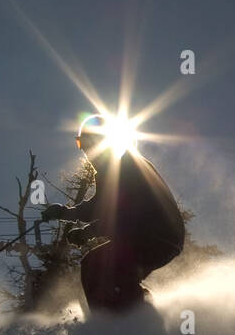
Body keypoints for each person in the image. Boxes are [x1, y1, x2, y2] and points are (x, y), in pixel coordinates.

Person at [41, 115, 185, 312]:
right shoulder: (115, 169)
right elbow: (101, 207)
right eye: (80, 144)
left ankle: (120, 321)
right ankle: (131, 315)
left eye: (85, 144)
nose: (84, 152)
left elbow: (124, 215)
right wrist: (65, 213)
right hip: (156, 237)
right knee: (107, 268)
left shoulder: (128, 167)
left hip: (156, 236)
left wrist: (87, 232)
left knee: (98, 264)